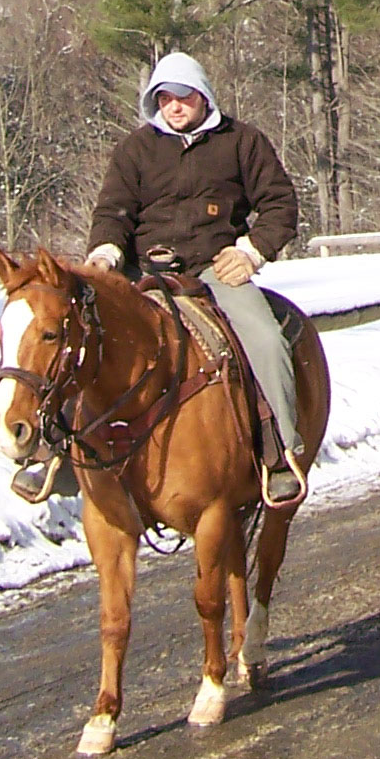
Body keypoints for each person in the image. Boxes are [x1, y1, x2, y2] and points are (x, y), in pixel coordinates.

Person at [83, 51, 310, 508]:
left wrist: (250, 252)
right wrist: (106, 252)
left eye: (182, 96)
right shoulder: (136, 149)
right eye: (164, 98)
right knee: (79, 332)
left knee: (265, 338)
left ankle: (280, 451)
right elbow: (113, 212)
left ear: (202, 96)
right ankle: (65, 457)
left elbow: (280, 205)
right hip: (143, 269)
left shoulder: (242, 142)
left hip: (214, 266)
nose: (174, 106)